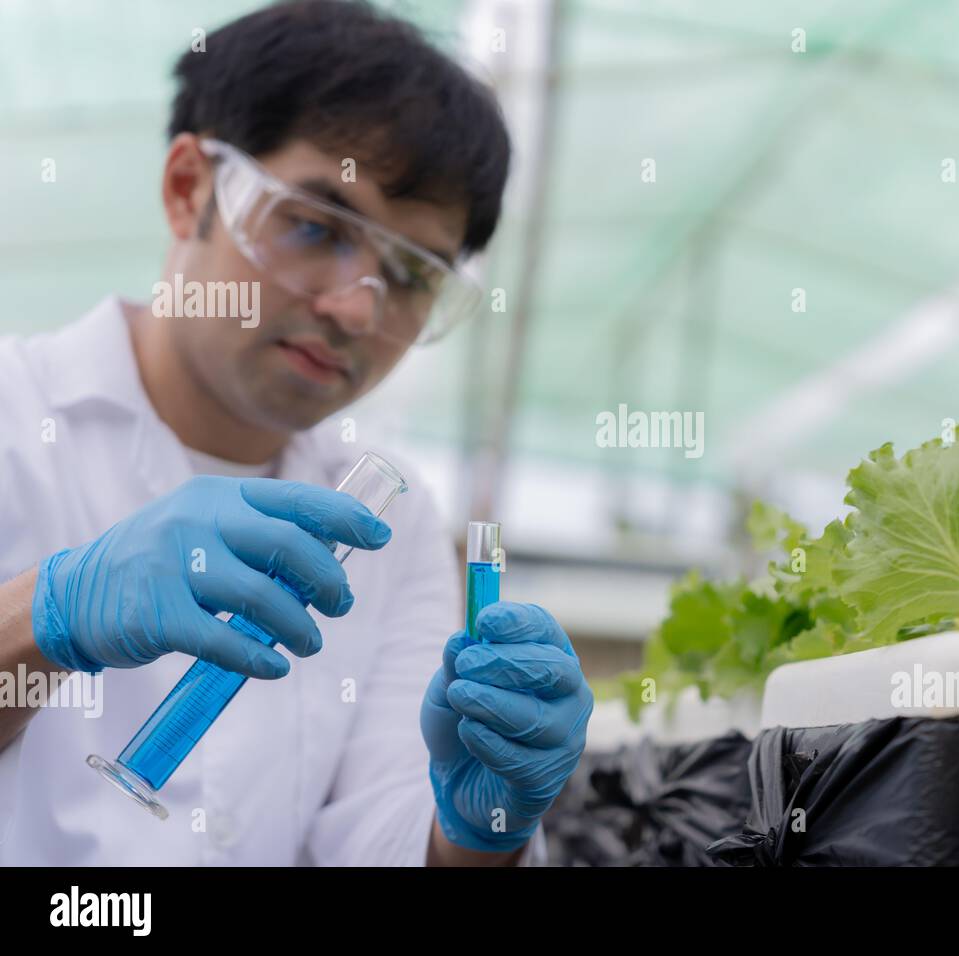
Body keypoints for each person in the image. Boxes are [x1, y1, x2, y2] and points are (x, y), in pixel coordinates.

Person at [0, 0, 592, 866]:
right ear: (189, 188)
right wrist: (45, 618)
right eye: (315, 225)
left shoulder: (389, 525)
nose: (356, 307)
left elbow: (379, 835)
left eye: (410, 274)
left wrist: (479, 829)